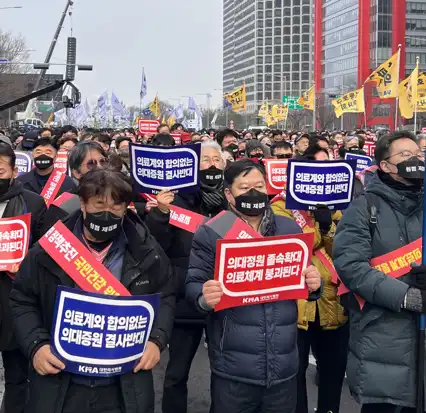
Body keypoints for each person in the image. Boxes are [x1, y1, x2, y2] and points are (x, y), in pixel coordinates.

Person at [10, 169, 176, 413]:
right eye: (99, 205)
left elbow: (166, 296)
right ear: (83, 204)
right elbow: (22, 299)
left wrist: (156, 340)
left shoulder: (146, 251)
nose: (107, 213)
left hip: (123, 382)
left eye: (116, 206)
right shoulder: (49, 250)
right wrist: (36, 345)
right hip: (61, 381)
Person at [185, 159, 322, 413]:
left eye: (259, 185)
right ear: (229, 193)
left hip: (283, 363)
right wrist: (204, 297)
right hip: (233, 368)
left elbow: (305, 280)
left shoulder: (289, 228)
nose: (253, 192)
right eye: (244, 187)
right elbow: (193, 283)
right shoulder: (213, 230)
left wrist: (314, 285)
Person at [333, 131, 425, 413]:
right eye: (405, 155)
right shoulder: (364, 207)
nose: (415, 160)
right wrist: (406, 296)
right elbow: (352, 265)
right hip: (381, 334)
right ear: (385, 165)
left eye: (418, 155)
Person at [142, 141, 228, 413]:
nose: (211, 164)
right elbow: (156, 245)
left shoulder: (233, 203)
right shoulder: (175, 201)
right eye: (205, 160)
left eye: (217, 160)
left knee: (224, 376)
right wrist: (160, 214)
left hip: (225, 301)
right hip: (185, 300)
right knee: (176, 374)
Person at [271, 144, 348, 413]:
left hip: (332, 300)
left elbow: (342, 250)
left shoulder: (337, 205)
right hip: (297, 304)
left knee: (333, 369)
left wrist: (328, 225)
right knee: (295, 373)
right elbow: (295, 246)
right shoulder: (280, 206)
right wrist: (318, 223)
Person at [0, 143, 47, 413]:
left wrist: (24, 262)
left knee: (18, 376)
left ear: (14, 171)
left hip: (15, 302)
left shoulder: (32, 203)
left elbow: (45, 252)